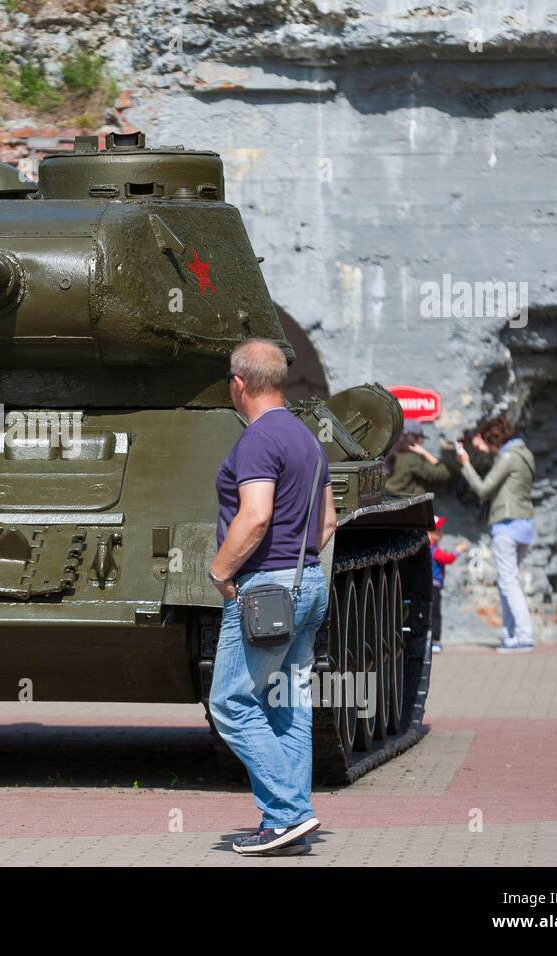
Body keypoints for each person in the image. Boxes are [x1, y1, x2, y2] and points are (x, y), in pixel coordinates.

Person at [207, 339, 336, 857]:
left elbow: (256, 516)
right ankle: (287, 824)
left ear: (239, 384)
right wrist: (297, 563)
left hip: (265, 591)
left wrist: (221, 571)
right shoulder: (308, 439)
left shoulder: (258, 439)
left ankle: (288, 812)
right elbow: (327, 521)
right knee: (287, 703)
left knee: (231, 703)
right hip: (308, 582)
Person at [455, 416, 536, 653]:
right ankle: (510, 635)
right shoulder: (524, 454)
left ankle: (523, 636)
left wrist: (465, 463)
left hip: (506, 525)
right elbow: (508, 475)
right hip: (525, 524)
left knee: (508, 582)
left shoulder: (507, 457)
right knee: (508, 582)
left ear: (495, 440)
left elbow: (483, 489)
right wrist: (488, 449)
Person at [428, 516, 469, 653]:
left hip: (431, 585)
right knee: (435, 613)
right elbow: (448, 558)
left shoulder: (430, 549)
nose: (441, 533)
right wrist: (458, 550)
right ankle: (435, 640)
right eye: (438, 530)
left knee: (431, 613)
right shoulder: (433, 550)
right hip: (433, 586)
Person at [385, 419, 451, 497]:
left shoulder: (387, 452)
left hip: (388, 498)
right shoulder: (412, 458)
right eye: (421, 439)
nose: (422, 442)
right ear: (414, 438)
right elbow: (441, 474)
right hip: (407, 500)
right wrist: (425, 453)